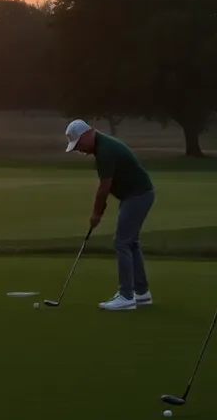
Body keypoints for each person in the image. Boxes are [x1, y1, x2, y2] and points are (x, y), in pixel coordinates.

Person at [64, 119, 156, 311]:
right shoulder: (102, 145)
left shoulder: (105, 150)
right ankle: (141, 292)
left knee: (122, 242)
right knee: (131, 242)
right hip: (138, 194)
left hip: (137, 195)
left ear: (88, 134)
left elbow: (104, 188)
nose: (79, 149)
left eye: (79, 144)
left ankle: (126, 296)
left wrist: (96, 214)